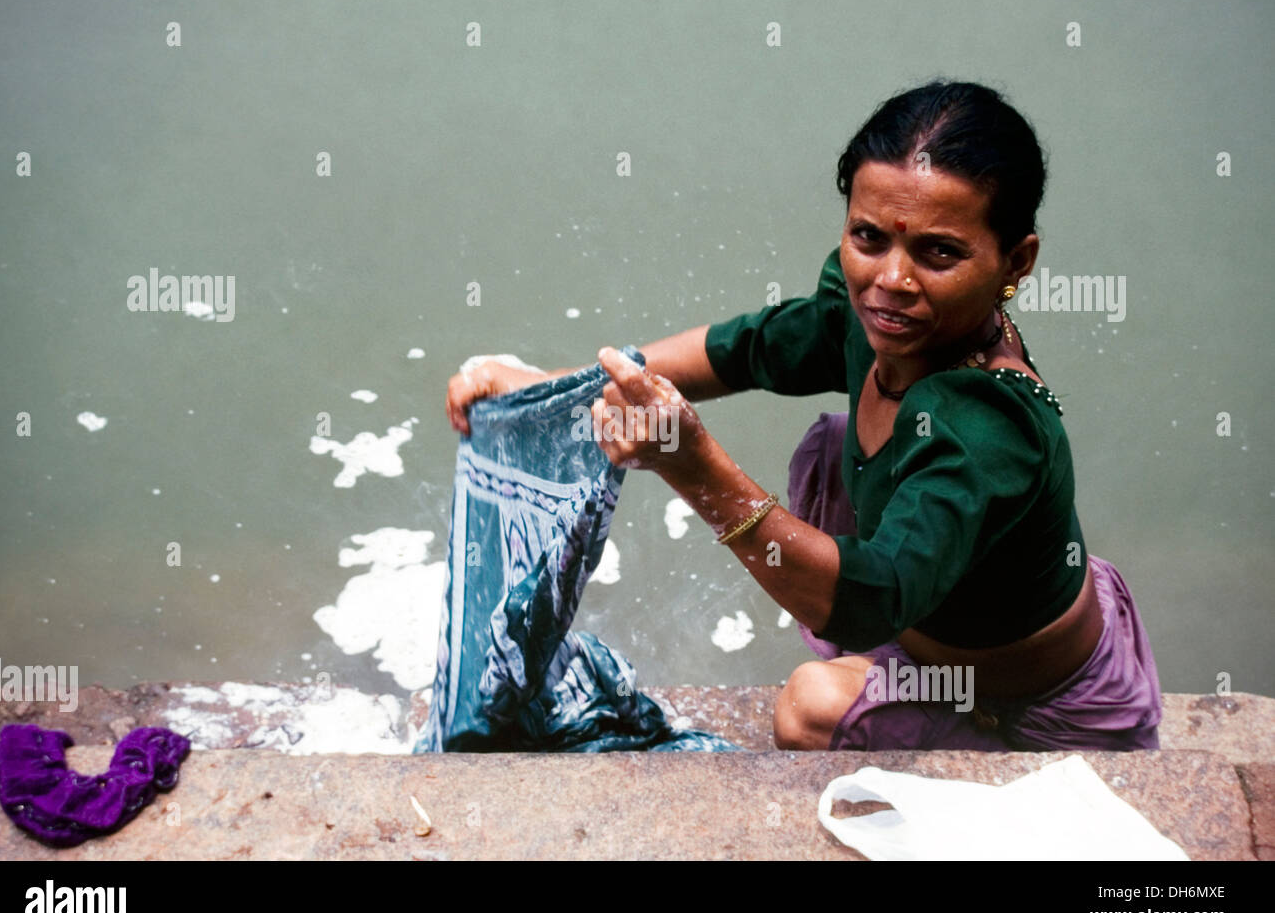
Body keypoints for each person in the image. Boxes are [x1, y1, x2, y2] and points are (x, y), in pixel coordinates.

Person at [445, 80, 1163, 753]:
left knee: (809, 705)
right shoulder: (883, 319)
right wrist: (566, 388)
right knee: (833, 450)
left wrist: (692, 465)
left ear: (1017, 261)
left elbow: (866, 603)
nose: (891, 281)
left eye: (939, 253)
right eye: (870, 237)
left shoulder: (984, 422)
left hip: (1024, 700)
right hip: (948, 606)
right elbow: (749, 350)